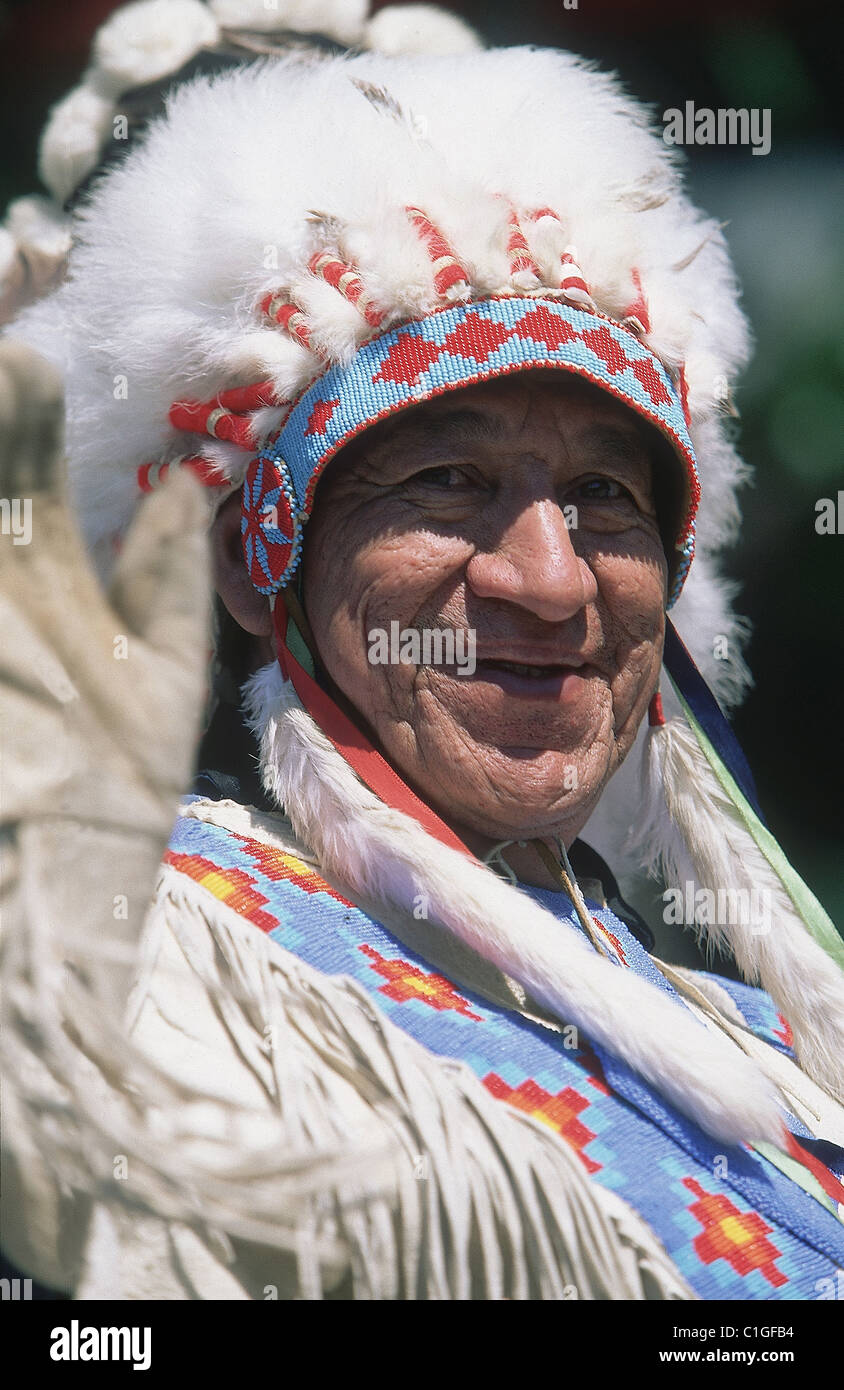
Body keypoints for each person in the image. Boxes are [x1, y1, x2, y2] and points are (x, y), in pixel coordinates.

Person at [1, 0, 842, 1301]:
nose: (553, 580)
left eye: (607, 499)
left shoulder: (760, 1052)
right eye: (448, 478)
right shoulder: (160, 971)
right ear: (253, 557)